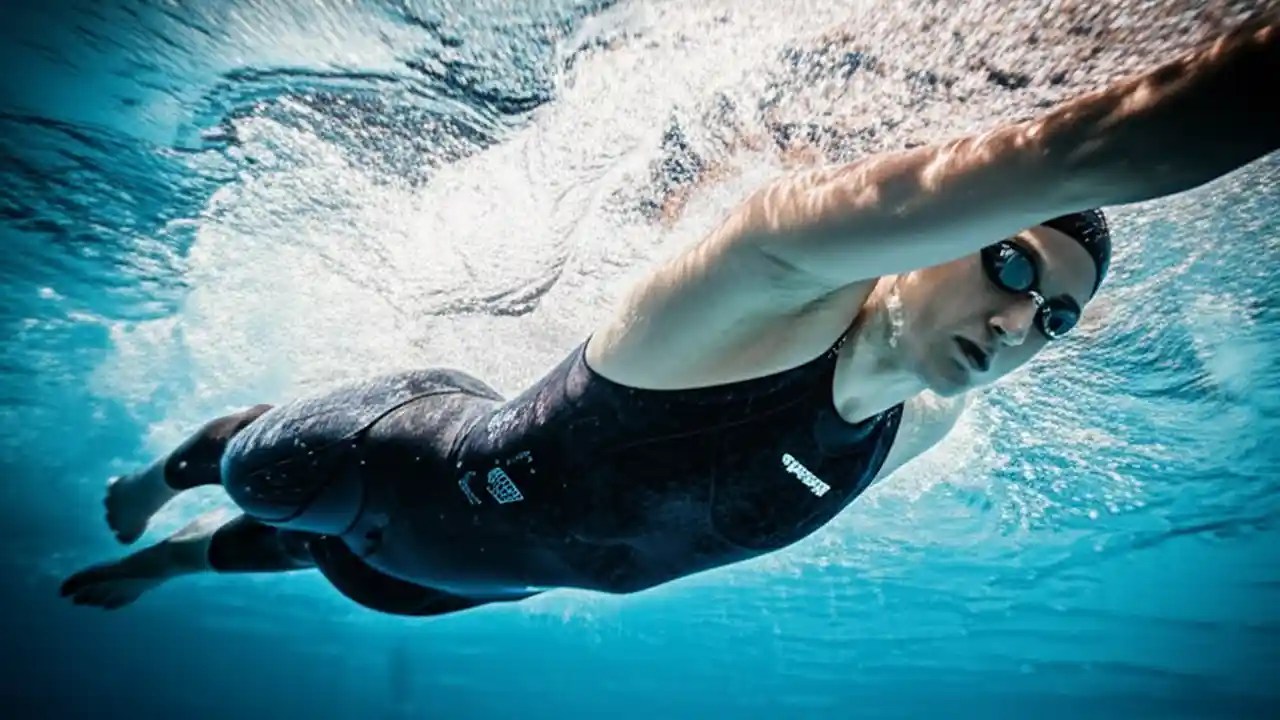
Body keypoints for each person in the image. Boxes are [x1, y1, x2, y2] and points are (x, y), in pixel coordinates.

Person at [62, 18, 1278, 614]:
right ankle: (171, 480)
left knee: (325, 566)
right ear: (914, 252)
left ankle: (177, 558)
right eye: (1011, 272)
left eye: (1053, 320)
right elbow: (1075, 156)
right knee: (271, 478)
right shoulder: (757, 281)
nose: (1021, 326)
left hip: (462, 579)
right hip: (384, 452)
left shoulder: (924, 424)